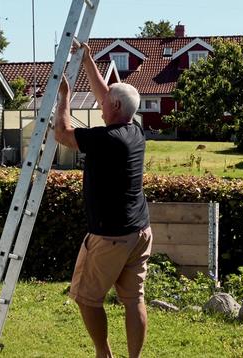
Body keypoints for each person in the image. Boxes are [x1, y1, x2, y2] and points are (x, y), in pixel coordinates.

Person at [54, 40, 151, 358]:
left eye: (105, 103)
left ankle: (103, 355)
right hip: (139, 232)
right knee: (134, 299)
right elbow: (104, 93)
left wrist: (64, 99)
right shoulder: (134, 131)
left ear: (116, 109)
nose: (99, 104)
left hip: (111, 236)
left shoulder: (106, 140)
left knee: (86, 298)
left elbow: (63, 134)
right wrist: (86, 59)